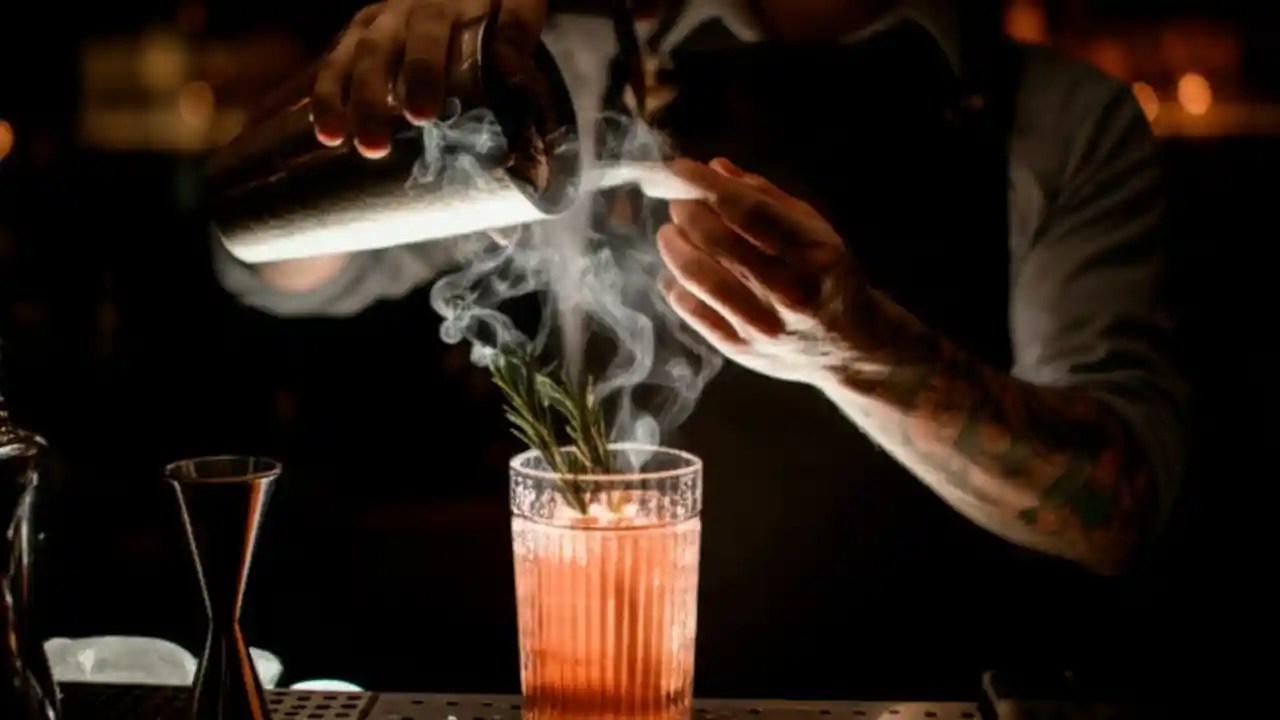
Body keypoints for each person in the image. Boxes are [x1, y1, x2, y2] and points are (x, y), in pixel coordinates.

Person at [214, 0, 1187, 699]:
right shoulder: (562, 72)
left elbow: (1114, 512)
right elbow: (266, 263)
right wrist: (382, 69)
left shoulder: (1061, 116)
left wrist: (853, 345)